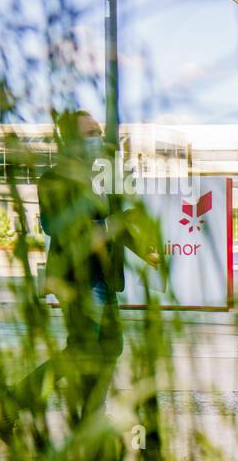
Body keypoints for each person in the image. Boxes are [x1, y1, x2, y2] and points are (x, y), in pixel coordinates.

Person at [31, 110, 158, 416]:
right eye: (89, 134)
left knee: (110, 347)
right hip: (76, 278)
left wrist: (146, 252)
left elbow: (115, 225)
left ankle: (90, 415)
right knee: (82, 349)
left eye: (98, 132)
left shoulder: (102, 178)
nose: (97, 139)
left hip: (104, 276)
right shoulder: (54, 180)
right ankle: (26, 404)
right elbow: (55, 225)